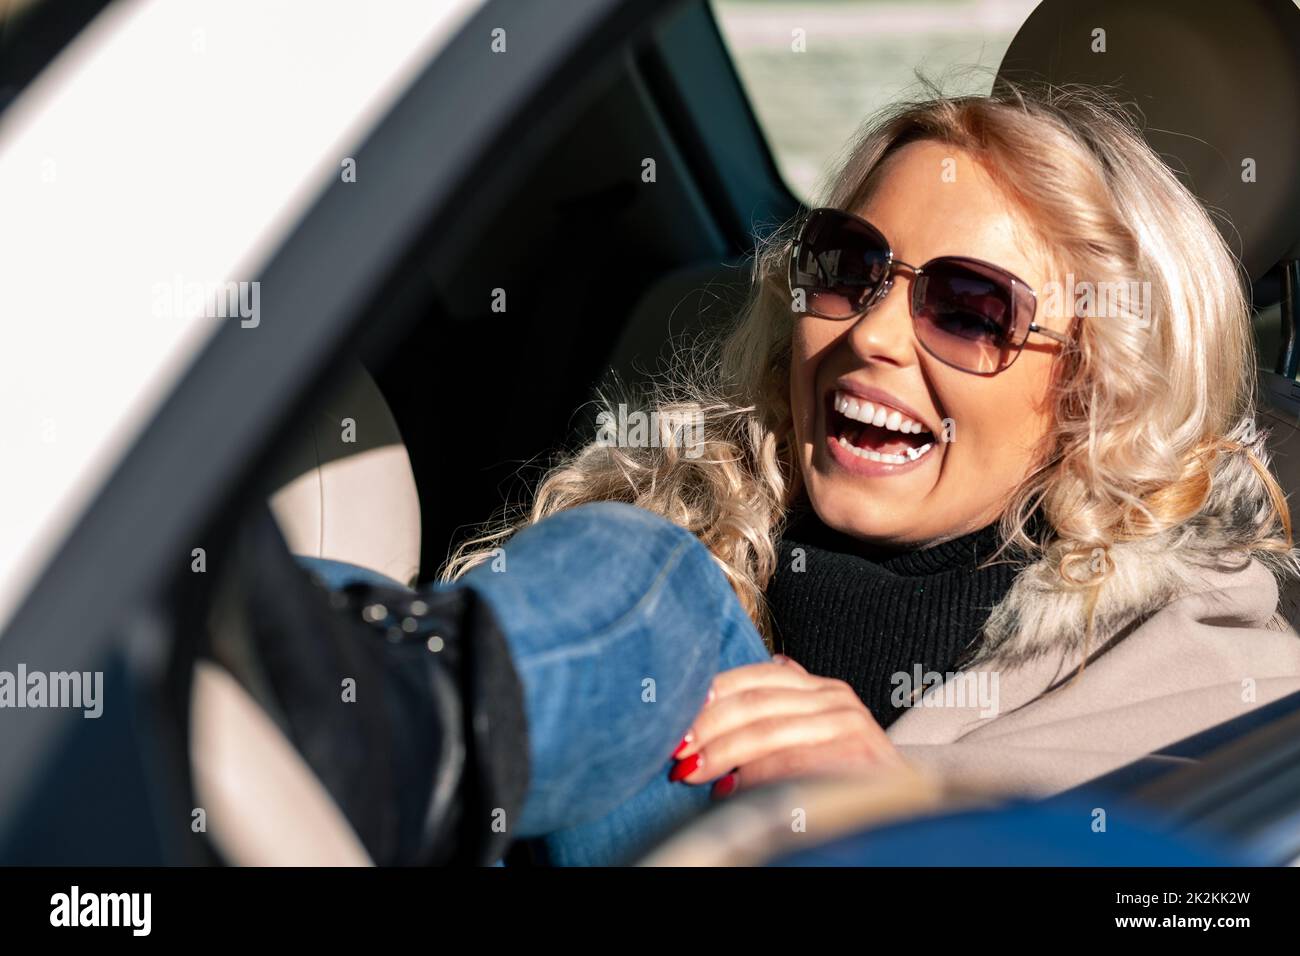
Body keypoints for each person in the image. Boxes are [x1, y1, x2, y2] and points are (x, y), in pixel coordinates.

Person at [308, 82, 1300, 866]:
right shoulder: (657, 534)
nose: (867, 330)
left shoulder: (1235, 711)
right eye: (848, 265)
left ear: (1097, 390)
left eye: (966, 306)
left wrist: (900, 816)